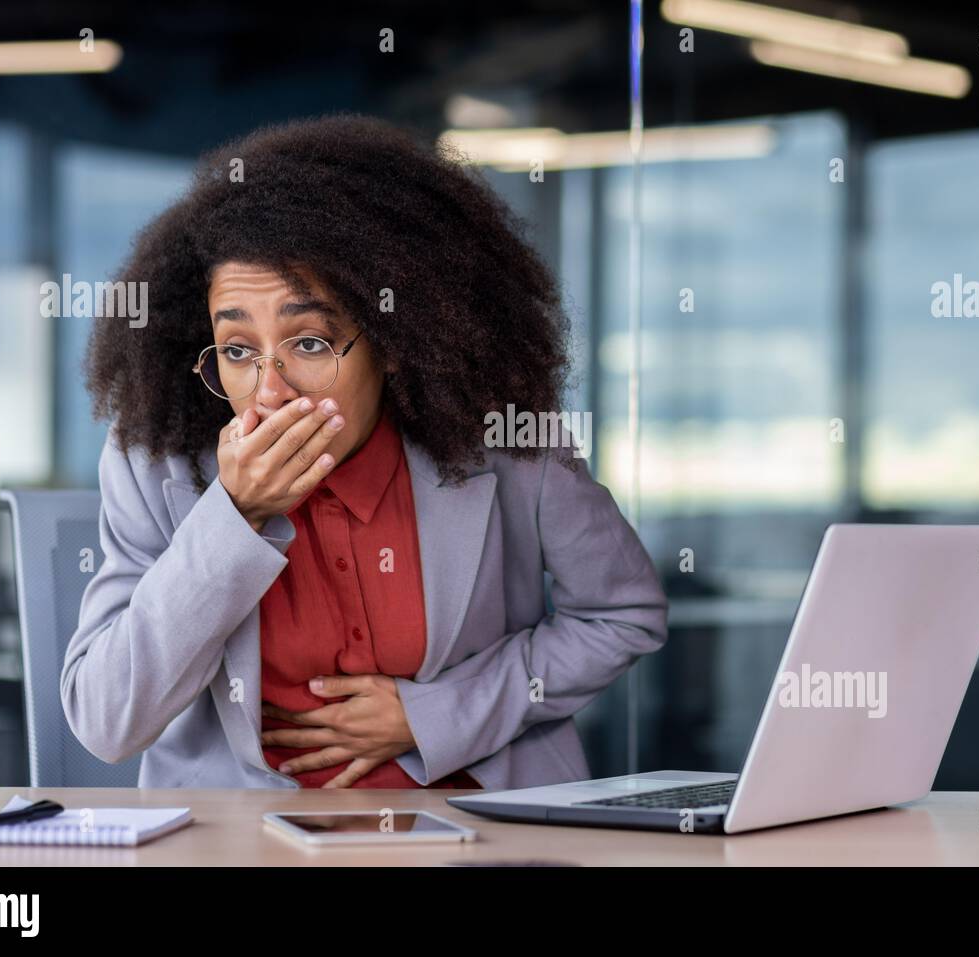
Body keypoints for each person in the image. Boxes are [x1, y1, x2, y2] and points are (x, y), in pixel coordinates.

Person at [62, 114, 668, 791]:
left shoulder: (504, 438)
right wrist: (232, 516)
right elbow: (106, 718)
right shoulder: (157, 461)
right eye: (237, 350)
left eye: (311, 342)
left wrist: (437, 714)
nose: (270, 391)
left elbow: (622, 616)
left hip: (475, 835)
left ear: (394, 338)